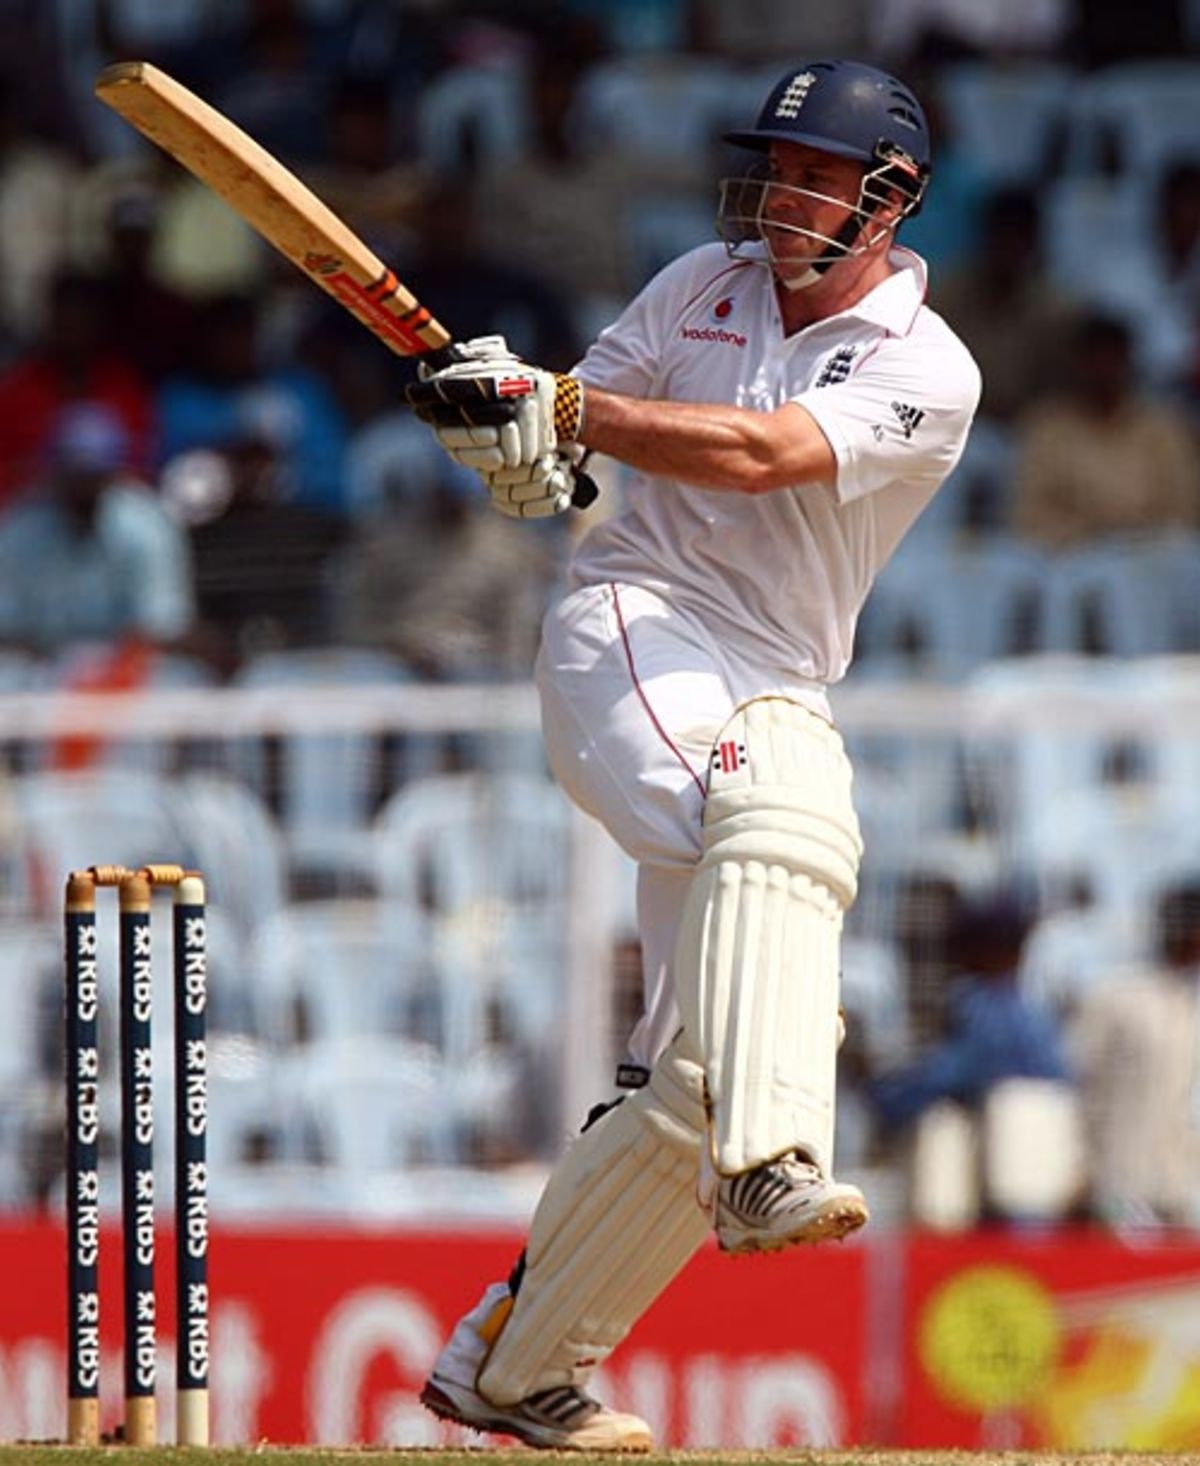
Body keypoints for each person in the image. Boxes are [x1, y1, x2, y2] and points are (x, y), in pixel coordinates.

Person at [406, 58, 980, 1451]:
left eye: (816, 178)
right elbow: (573, 457)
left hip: (770, 675)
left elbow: (758, 452)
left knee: (700, 1063)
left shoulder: (927, 365)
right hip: (631, 624)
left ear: (891, 197)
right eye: (774, 171)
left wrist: (560, 407)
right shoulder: (696, 285)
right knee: (782, 798)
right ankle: (771, 1162)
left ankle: (514, 1364)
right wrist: (517, 440)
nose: (781, 198)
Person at [1071, 878, 1200, 1229]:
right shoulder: (1116, 997)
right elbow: (1077, 1086)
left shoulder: (1190, 1005)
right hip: (1122, 1189)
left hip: (1182, 1193)